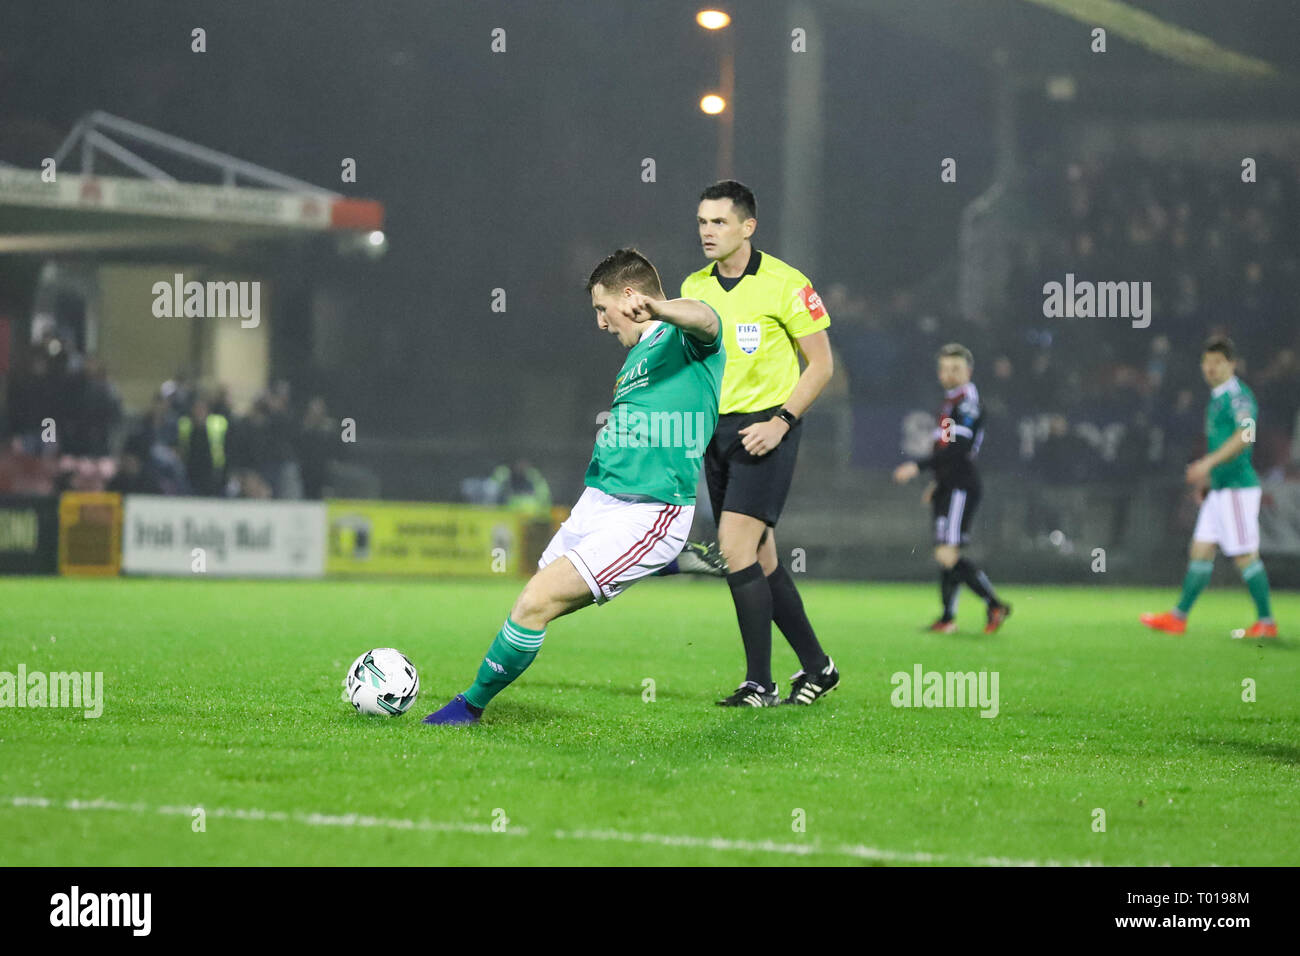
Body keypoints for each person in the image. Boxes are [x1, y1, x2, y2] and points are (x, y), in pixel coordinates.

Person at [424, 249, 725, 725]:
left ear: (631, 298)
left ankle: (468, 707)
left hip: (651, 509)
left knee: (535, 602)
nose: (601, 324)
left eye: (602, 310)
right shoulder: (637, 358)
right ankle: (664, 562)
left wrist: (662, 308)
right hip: (600, 501)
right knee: (536, 600)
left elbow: (707, 319)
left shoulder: (683, 337)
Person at [681, 180, 839, 707]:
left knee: (733, 548)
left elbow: (821, 365)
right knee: (762, 560)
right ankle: (818, 667)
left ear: (748, 227)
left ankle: (760, 683)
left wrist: (782, 421)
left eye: (719, 222)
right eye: (702, 221)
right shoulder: (695, 288)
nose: (707, 231)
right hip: (716, 432)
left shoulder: (786, 284)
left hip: (767, 430)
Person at [1140, 336, 1277, 638]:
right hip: (1220, 489)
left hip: (1238, 489)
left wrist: (1207, 464)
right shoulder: (1217, 398)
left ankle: (1266, 622)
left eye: (1217, 362)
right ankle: (1178, 617)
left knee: (1244, 554)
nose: (1211, 368)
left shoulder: (1239, 396)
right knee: (1200, 549)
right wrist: (1209, 479)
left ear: (1232, 364)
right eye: (1207, 362)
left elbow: (1246, 436)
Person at [893, 343, 1011, 634]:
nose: (949, 374)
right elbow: (946, 447)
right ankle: (948, 618)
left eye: (955, 369)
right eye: (944, 368)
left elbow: (959, 449)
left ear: (968, 372)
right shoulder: (949, 403)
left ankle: (995, 604)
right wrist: (937, 481)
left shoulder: (967, 404)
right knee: (945, 554)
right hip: (949, 483)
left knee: (948, 554)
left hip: (961, 484)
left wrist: (918, 467)